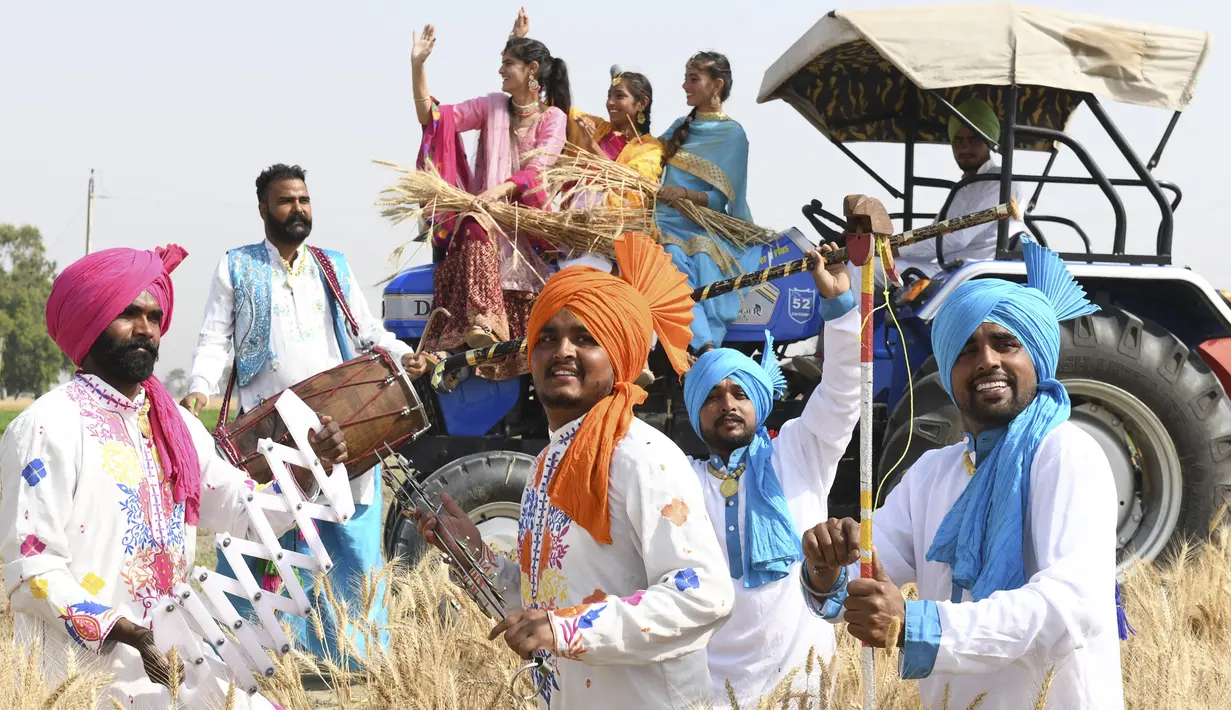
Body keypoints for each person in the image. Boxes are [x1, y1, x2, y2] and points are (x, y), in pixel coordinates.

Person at [1, 245, 348, 710]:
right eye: (127, 314)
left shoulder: (175, 426)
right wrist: (127, 632)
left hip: (180, 666)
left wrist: (310, 467)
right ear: (89, 320)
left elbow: (242, 512)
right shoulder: (46, 426)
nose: (145, 329)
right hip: (83, 677)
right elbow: (29, 570)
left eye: (153, 316)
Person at [412, 233, 735, 709]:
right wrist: (473, 554)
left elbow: (705, 594)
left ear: (619, 355)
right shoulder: (548, 465)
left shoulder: (642, 456)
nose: (562, 350)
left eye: (585, 338)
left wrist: (569, 629)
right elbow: (539, 606)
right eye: (547, 337)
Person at [800, 237, 1124, 709]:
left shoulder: (1067, 454)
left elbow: (1071, 607)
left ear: (1037, 355)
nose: (987, 360)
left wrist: (915, 626)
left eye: (1006, 343)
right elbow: (868, 574)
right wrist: (826, 565)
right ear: (949, 369)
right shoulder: (934, 472)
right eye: (968, 349)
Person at [181, 163, 414, 667]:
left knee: (349, 543)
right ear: (263, 208)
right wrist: (198, 390)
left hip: (340, 426)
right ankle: (257, 661)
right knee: (265, 540)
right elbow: (214, 340)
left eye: (304, 200)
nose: (298, 209)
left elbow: (366, 331)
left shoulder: (333, 265)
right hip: (269, 437)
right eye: (286, 201)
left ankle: (357, 662)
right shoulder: (235, 266)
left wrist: (400, 354)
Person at [680, 243, 859, 705]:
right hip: (714, 693)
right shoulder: (681, 481)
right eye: (713, 396)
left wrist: (838, 308)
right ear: (696, 415)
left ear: (759, 403)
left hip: (804, 688)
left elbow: (841, 390)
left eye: (739, 392)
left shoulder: (800, 451)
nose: (727, 403)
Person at [411, 21, 570, 361]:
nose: (500, 70)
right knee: (472, 222)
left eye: (508, 63)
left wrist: (497, 192)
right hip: (481, 220)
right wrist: (418, 66)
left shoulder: (552, 118)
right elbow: (435, 119)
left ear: (532, 70)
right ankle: (482, 321)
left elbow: (536, 172)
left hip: (528, 225)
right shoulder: (492, 107)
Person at [656, 51, 761, 356]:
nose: (685, 85)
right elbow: (647, 159)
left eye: (693, 79)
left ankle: (706, 347)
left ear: (716, 85)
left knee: (684, 256)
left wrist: (684, 195)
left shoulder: (733, 134)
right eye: (686, 78)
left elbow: (720, 200)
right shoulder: (679, 125)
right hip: (660, 218)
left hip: (699, 224)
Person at [890, 97, 1026, 284]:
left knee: (859, 270)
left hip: (967, 272)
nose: (965, 147)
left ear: (988, 141)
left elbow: (956, 237)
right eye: (959, 140)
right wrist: (890, 247)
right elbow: (937, 235)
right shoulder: (963, 187)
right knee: (871, 262)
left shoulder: (1000, 183)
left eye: (973, 139)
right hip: (944, 265)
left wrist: (896, 246)